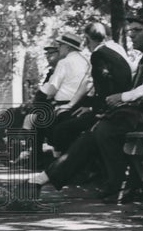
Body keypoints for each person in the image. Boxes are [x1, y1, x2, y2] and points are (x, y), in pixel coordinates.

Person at [25, 0, 143, 202]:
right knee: (98, 129)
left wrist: (122, 97)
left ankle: (117, 185)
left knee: (104, 129)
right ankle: (46, 177)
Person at [48, 22, 134, 155]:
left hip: (110, 109)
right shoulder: (116, 49)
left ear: (88, 39)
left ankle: (62, 166)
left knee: (62, 127)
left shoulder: (99, 54)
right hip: (120, 105)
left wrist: (91, 108)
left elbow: (101, 86)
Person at [20, 33, 90, 165]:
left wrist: (44, 96)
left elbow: (51, 90)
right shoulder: (86, 61)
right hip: (82, 103)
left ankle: (39, 157)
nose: (59, 48)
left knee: (36, 118)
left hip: (63, 105)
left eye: (60, 45)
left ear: (68, 47)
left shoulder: (64, 62)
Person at [0, 43, 61, 160]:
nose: (48, 56)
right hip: (36, 105)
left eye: (51, 53)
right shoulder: (51, 72)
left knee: (23, 118)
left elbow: (49, 94)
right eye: (46, 54)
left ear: (60, 54)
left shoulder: (60, 71)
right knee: (7, 114)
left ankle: (22, 152)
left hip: (47, 108)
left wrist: (35, 103)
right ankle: (2, 145)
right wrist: (30, 102)